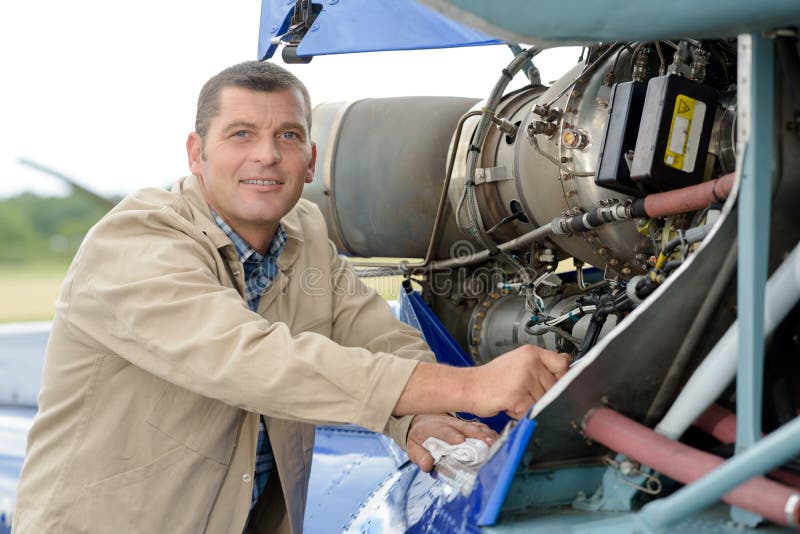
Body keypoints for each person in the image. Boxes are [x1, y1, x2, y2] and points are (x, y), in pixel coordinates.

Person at [13, 61, 570, 533]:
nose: (267, 155)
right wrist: (472, 385)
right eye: (240, 134)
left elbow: (372, 333)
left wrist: (415, 420)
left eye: (288, 135)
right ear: (195, 152)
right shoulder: (134, 241)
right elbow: (249, 358)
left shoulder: (304, 232)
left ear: (310, 158)